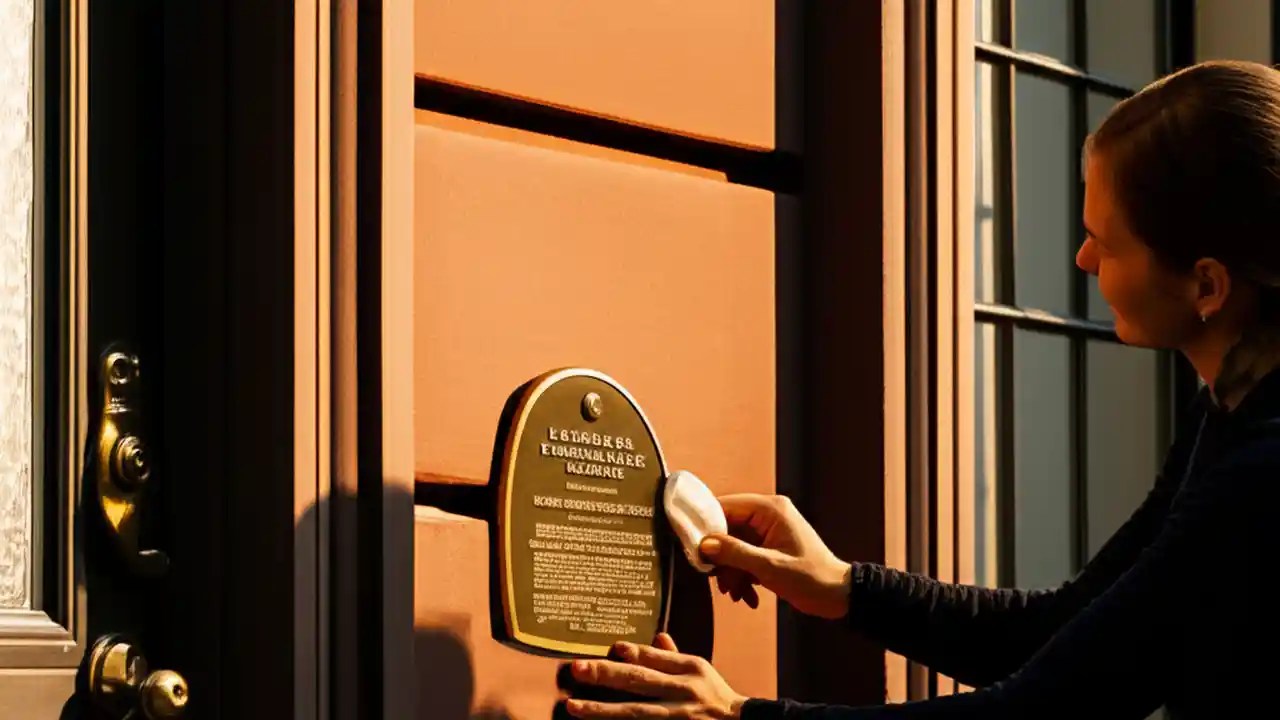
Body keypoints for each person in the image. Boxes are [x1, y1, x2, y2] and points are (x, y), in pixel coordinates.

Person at [557, 59, 1280, 718]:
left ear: (1207, 285)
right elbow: (1071, 628)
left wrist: (738, 716)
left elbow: (1044, 711)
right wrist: (844, 587)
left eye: (1109, 242)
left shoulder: (1258, 470)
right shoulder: (1228, 406)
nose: (1084, 258)